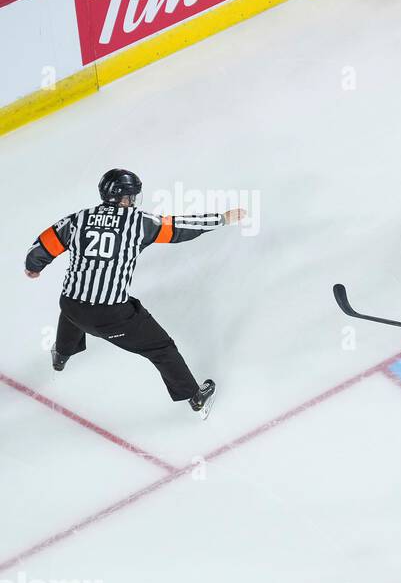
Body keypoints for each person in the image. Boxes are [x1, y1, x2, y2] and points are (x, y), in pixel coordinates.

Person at [23, 168, 244, 418]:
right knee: (161, 348)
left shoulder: (78, 219)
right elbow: (180, 227)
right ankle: (195, 397)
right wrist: (222, 218)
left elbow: (43, 244)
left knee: (75, 306)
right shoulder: (139, 222)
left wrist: (34, 267)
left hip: (70, 305)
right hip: (110, 316)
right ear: (125, 198)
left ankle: (61, 356)